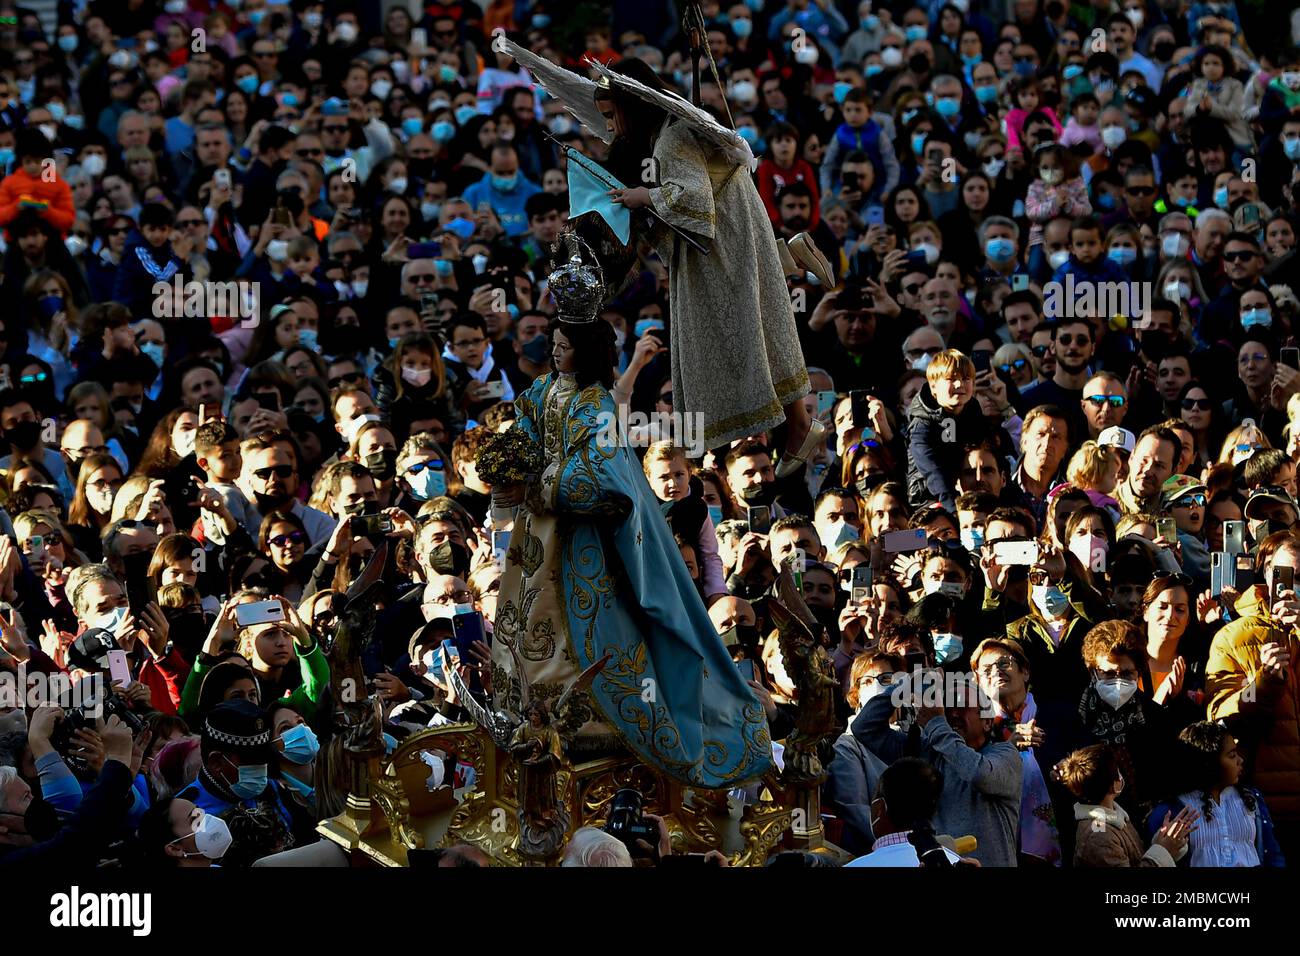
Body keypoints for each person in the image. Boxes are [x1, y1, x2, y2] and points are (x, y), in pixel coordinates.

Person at [490, 314, 770, 788]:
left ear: (590, 353)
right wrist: (506, 464)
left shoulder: (598, 405)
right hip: (535, 538)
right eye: (553, 345)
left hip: (582, 544)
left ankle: (594, 730)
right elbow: (518, 436)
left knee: (589, 630)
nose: (556, 354)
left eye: (566, 346)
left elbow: (608, 483)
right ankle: (527, 719)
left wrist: (540, 479)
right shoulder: (540, 392)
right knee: (529, 620)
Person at [1149, 721, 1286, 867]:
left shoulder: (1250, 799)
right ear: (1209, 763)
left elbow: (1272, 854)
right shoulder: (1172, 811)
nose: (1240, 760)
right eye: (1232, 755)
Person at [1055, 742, 1197, 867]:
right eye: (1117, 770)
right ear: (1112, 785)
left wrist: (1165, 841)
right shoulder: (1098, 836)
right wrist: (1163, 850)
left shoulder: (1113, 816)